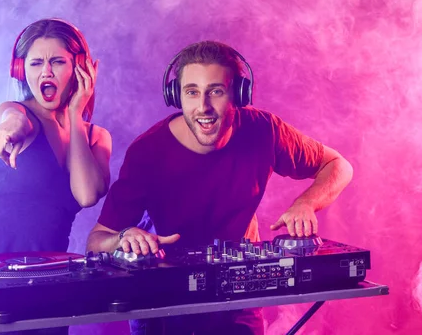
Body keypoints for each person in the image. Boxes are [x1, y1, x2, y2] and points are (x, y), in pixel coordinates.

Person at [86, 41, 353, 335]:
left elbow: (339, 166)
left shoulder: (264, 130)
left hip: (239, 295)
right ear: (176, 96)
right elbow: (97, 240)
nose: (203, 107)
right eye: (192, 92)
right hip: (163, 300)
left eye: (216, 91)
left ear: (239, 94)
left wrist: (306, 203)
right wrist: (124, 237)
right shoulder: (147, 151)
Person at [0, 18, 111, 335]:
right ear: (21, 70)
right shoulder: (16, 111)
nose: (45, 72)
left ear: (80, 68)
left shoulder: (96, 136)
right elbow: (10, 119)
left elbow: (86, 194)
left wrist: (76, 113)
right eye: (36, 62)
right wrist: (6, 128)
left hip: (46, 281)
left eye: (57, 62)